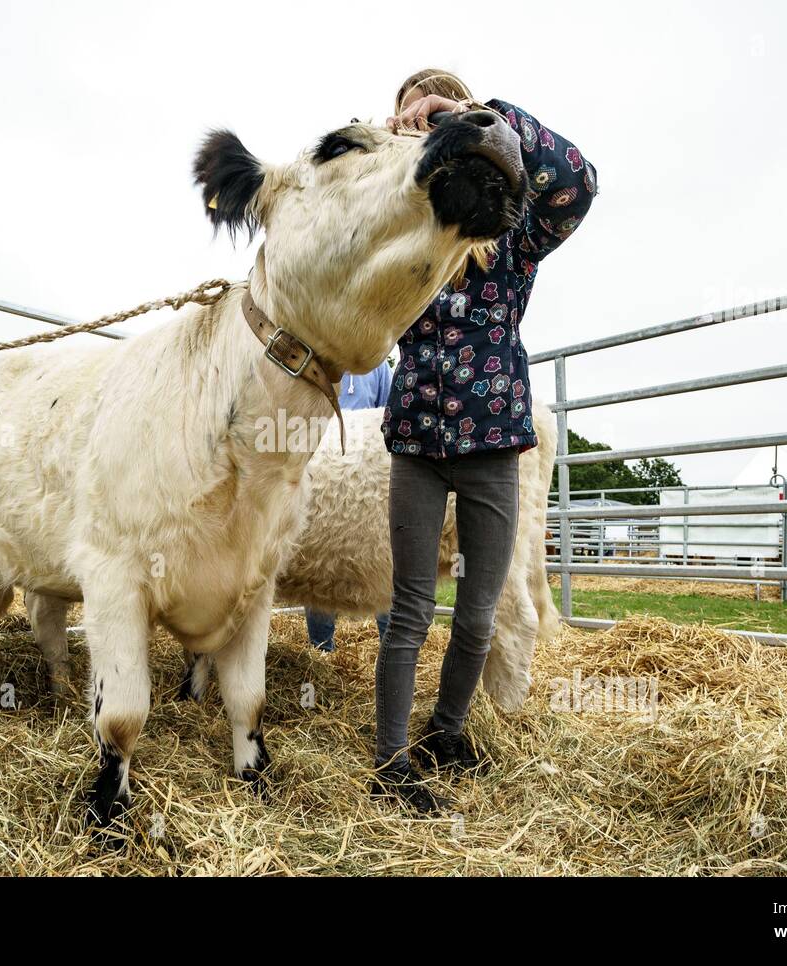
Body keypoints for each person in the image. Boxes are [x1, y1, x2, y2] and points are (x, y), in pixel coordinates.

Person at [372, 69, 598, 812]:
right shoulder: (399, 226)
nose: (425, 123)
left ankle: (446, 730)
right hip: (416, 435)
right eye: (413, 113)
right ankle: (391, 762)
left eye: (436, 111)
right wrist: (388, 145)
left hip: (495, 437)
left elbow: (578, 181)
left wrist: (478, 114)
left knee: (477, 611)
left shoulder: (511, 229)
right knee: (409, 608)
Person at [305, 357, 394, 652]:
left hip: (370, 479)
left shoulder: (378, 367)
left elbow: (388, 414)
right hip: (323, 473)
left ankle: (391, 650)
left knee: (387, 559)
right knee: (318, 559)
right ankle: (321, 651)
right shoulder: (318, 359)